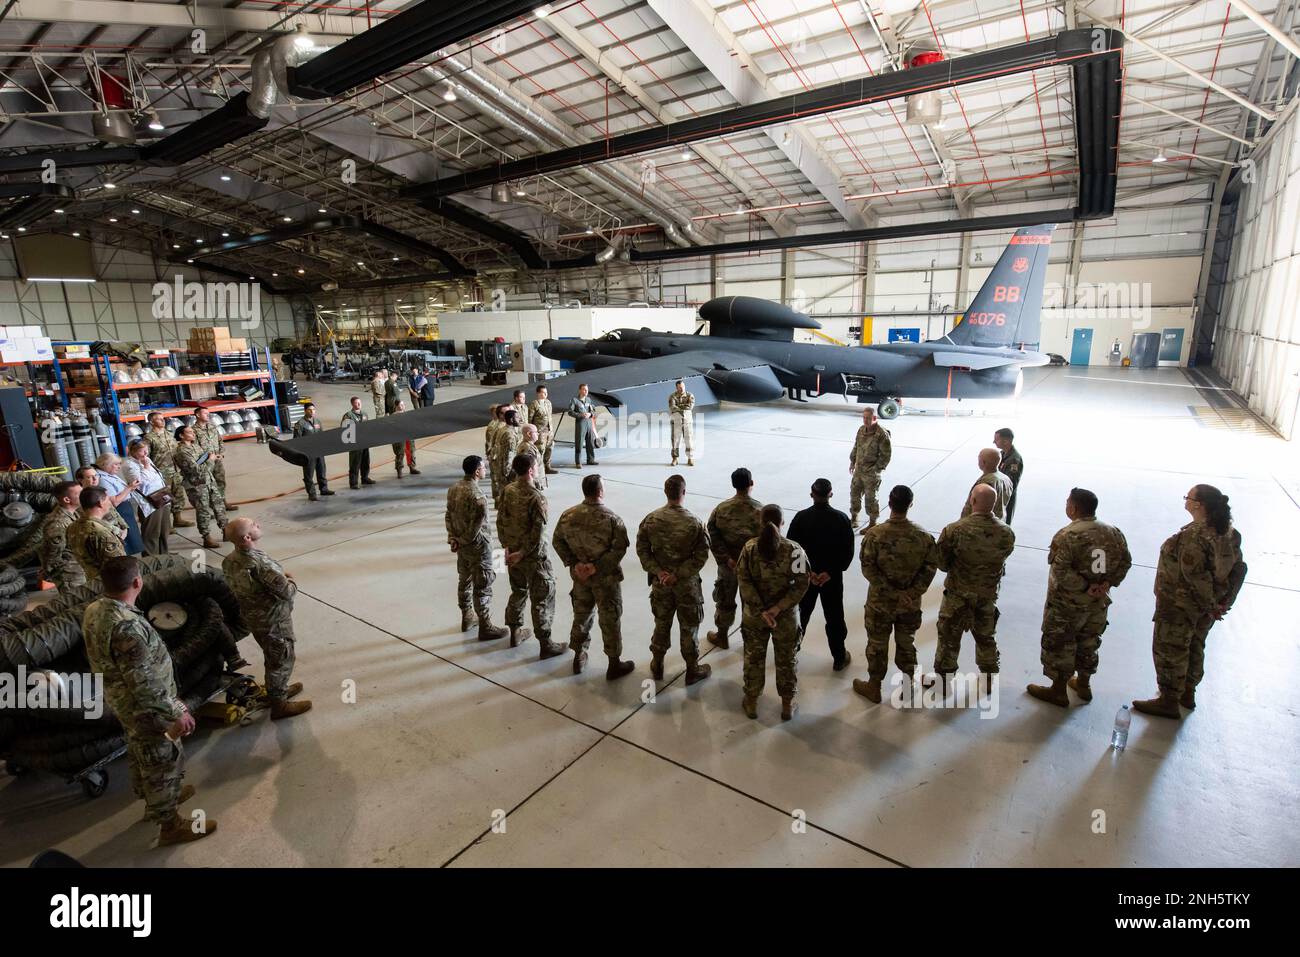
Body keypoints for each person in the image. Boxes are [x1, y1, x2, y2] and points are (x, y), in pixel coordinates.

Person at [81, 556, 215, 847]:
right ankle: (170, 825)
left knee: (142, 751)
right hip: (145, 707)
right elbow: (143, 683)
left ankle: (156, 799)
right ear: (137, 582)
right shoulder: (127, 628)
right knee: (161, 759)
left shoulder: (96, 609)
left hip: (122, 700)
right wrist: (175, 710)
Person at [1134, 485, 1246, 719]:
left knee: (1170, 650)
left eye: (1189, 497)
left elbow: (1195, 575)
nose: (1186, 500)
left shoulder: (1193, 537)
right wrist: (1223, 602)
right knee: (1195, 645)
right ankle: (1187, 692)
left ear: (1198, 505)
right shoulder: (1230, 534)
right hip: (1207, 609)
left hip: (1180, 606)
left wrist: (1211, 604)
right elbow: (1239, 569)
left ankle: (1168, 700)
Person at [1027, 488, 1131, 707]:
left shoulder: (1067, 536)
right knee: (1089, 641)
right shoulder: (1113, 532)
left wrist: (1085, 587)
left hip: (1069, 604)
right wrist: (1106, 584)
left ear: (1073, 508)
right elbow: (1125, 562)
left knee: (1061, 642)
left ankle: (1058, 690)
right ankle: (1083, 684)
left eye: (1067, 503)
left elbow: (1061, 571)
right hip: (1098, 602)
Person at [855, 485, 938, 702]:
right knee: (906, 642)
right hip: (909, 604)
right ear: (910, 504)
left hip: (880, 603)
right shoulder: (923, 537)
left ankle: (874, 687)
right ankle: (909, 685)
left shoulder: (875, 535)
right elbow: (929, 570)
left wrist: (891, 592)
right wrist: (910, 593)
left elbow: (868, 568)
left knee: (877, 644)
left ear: (889, 504)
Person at [223, 519, 312, 719]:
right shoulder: (260, 563)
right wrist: (290, 581)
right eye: (254, 525)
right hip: (274, 621)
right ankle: (279, 704)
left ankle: (276, 690)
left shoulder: (229, 560)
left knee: (272, 656)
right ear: (247, 537)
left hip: (254, 618)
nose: (258, 525)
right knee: (281, 659)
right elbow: (287, 593)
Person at [930, 484, 1015, 690]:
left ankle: (943, 681)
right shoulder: (1006, 533)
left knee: (949, 638)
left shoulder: (955, 530)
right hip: (986, 595)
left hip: (958, 594)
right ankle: (988, 677)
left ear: (972, 501)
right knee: (986, 636)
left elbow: (941, 563)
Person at [552, 474, 635, 679]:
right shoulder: (612, 519)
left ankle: (579, 656)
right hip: (605, 581)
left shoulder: (568, 516)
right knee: (610, 620)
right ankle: (614, 664)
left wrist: (575, 563)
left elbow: (557, 541)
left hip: (580, 578)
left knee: (581, 616)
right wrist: (596, 567)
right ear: (600, 491)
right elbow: (619, 549)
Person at [736, 504, 810, 720]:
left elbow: (743, 581)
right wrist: (777, 609)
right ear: (782, 523)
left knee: (753, 658)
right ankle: (787, 705)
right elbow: (801, 584)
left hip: (755, 616)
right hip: (784, 618)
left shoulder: (749, 548)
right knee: (786, 660)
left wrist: (762, 610)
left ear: (760, 522)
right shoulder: (795, 550)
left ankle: (751, 702)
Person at [636, 474, 711, 685]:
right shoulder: (694, 523)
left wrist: (659, 572)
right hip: (686, 586)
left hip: (661, 585)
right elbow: (701, 556)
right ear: (684, 493)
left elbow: (642, 550)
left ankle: (657, 665)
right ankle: (692, 670)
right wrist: (678, 575)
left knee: (661, 623)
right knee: (689, 628)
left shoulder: (651, 520)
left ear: (665, 492)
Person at [496, 453, 567, 660]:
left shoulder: (507, 491)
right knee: (542, 598)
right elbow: (538, 532)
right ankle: (546, 644)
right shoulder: (537, 497)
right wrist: (523, 553)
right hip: (534, 558)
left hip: (511, 554)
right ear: (530, 470)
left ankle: (515, 632)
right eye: (535, 466)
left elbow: (500, 521)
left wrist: (507, 549)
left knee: (517, 591)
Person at [788, 478, 855, 672]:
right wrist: (830, 572)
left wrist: (808, 574)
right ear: (831, 494)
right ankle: (839, 657)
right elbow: (847, 552)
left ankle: (792, 650)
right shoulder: (842, 519)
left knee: (801, 615)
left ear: (812, 495)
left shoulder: (800, 518)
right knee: (834, 617)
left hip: (806, 579)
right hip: (831, 579)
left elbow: (794, 550)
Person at [445, 455, 508, 639]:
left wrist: (453, 538)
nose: (485, 470)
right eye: (483, 468)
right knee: (483, 583)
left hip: (461, 545)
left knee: (464, 580)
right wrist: (464, 540)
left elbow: (448, 515)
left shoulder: (454, 488)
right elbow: (476, 526)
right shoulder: (479, 497)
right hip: (479, 546)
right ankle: (486, 626)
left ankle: (467, 616)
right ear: (476, 472)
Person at [705, 468, 762, 649]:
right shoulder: (760, 510)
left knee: (725, 600)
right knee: (751, 603)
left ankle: (722, 636)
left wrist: (726, 558)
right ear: (751, 484)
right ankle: (749, 641)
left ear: (733, 485)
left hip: (728, 566)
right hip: (751, 568)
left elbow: (711, 534)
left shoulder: (721, 509)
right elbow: (767, 540)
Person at [173, 424, 226, 549]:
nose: (193, 433)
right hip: (196, 485)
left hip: (209, 481)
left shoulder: (195, 446)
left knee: (219, 506)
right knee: (203, 511)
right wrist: (211, 460)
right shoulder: (181, 452)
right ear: (181, 435)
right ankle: (206, 537)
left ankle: (225, 530)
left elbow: (205, 457)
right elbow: (196, 471)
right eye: (190, 432)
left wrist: (212, 457)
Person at [67, 486, 127, 583]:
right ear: (100, 503)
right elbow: (119, 565)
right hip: (112, 583)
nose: (110, 503)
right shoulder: (101, 532)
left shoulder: (72, 527)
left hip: (92, 580)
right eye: (108, 500)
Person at [123, 440, 173, 555]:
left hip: (161, 498)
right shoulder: (129, 464)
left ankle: (164, 555)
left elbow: (156, 476)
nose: (146, 453)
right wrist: (145, 467)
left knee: (164, 530)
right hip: (149, 503)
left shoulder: (146, 459)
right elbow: (139, 483)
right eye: (142, 451)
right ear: (134, 451)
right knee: (152, 533)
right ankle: (151, 558)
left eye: (147, 450)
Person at [144, 411, 193, 528]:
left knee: (178, 496)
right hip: (162, 473)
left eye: (163, 418)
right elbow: (145, 456)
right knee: (165, 499)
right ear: (151, 422)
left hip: (176, 470)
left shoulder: (169, 434)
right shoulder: (149, 438)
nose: (162, 420)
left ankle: (178, 519)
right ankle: (167, 525)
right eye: (158, 419)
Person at [38, 480, 87, 591]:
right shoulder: (57, 522)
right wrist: (50, 571)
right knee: (77, 604)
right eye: (79, 494)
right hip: (69, 574)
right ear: (66, 499)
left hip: (79, 567)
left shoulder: (75, 513)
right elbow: (52, 552)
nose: (83, 495)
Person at [93, 453, 144, 555]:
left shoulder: (110, 475)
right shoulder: (102, 479)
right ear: (104, 465)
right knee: (126, 545)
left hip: (126, 510)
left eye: (119, 464)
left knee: (133, 543)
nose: (119, 467)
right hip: (119, 511)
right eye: (115, 464)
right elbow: (114, 502)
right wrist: (129, 488)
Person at [849, 407, 891, 530]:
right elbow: (856, 446)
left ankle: (872, 523)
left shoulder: (882, 434)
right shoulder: (861, 430)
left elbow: (886, 455)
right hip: (859, 470)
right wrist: (852, 461)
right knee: (854, 494)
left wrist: (876, 470)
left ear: (874, 418)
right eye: (864, 418)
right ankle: (854, 517)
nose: (865, 420)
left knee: (871, 498)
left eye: (868, 418)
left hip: (871, 473)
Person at [192, 407, 235, 512]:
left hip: (217, 460)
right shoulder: (193, 430)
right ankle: (209, 507)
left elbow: (220, 440)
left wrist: (220, 453)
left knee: (221, 481)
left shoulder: (212, 426)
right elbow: (194, 447)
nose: (208, 415)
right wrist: (206, 458)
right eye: (205, 413)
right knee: (206, 484)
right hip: (205, 462)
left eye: (208, 413)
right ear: (198, 415)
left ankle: (223, 502)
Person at [74, 465, 130, 542]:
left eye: (96, 475)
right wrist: (118, 533)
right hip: (105, 537)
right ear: (80, 480)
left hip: (118, 534)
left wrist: (124, 527)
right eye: (89, 477)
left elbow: (113, 512)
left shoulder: (101, 491)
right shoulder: (81, 498)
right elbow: (93, 520)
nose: (94, 479)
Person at [292, 403, 334, 501]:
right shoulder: (300, 424)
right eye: (310, 410)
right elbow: (296, 440)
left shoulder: (318, 421)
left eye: (313, 410)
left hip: (319, 451)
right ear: (305, 411)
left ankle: (324, 489)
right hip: (308, 454)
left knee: (322, 471)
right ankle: (312, 493)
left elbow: (322, 436)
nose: (312, 412)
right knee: (308, 474)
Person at [960, 448, 1013, 522]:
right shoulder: (1006, 479)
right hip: (998, 521)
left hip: (980, 525)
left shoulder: (985, 483)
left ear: (983, 462)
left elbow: (974, 506)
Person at [341, 396, 375, 489]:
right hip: (355, 443)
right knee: (355, 463)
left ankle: (365, 478)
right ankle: (353, 483)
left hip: (364, 442)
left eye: (360, 402)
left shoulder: (364, 414)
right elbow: (344, 430)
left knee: (365, 461)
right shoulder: (348, 415)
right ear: (352, 404)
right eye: (356, 403)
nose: (359, 404)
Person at [491, 409, 522, 506]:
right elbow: (509, 455)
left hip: (499, 465)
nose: (519, 419)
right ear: (511, 420)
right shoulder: (510, 435)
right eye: (517, 417)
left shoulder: (502, 429)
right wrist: (509, 473)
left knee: (503, 492)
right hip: (506, 469)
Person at [994, 428, 1024, 525]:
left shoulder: (1014, 460)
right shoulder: (1003, 454)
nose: (994, 441)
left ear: (1006, 441)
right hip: (999, 496)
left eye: (996, 439)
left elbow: (1010, 484)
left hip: (1006, 499)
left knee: (1003, 525)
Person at [528, 385, 559, 475]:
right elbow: (530, 419)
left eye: (546, 392)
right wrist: (532, 432)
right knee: (540, 449)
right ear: (538, 393)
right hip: (540, 431)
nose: (546, 394)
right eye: (543, 392)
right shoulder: (534, 404)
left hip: (549, 430)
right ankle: (538, 468)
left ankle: (547, 466)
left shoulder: (548, 403)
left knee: (550, 447)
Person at [569, 383, 599, 468]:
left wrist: (590, 414)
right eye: (584, 389)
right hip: (581, 423)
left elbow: (594, 411)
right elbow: (570, 412)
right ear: (580, 390)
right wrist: (580, 415)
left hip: (589, 423)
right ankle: (578, 462)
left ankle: (591, 460)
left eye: (587, 390)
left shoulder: (589, 400)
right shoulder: (575, 400)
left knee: (590, 442)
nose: (586, 391)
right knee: (579, 443)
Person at [390, 399, 421, 477]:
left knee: (411, 451)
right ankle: (399, 470)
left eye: (403, 404)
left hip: (408, 436)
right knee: (400, 453)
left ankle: (412, 467)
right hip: (399, 437)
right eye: (401, 405)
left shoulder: (407, 414)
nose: (403, 406)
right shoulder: (393, 416)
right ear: (396, 406)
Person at [668, 379, 695, 467]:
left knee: (689, 440)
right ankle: (675, 458)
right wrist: (683, 406)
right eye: (680, 387)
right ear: (676, 388)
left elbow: (690, 406)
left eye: (683, 386)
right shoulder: (672, 396)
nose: (682, 388)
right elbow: (672, 407)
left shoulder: (690, 395)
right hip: (676, 421)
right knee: (675, 440)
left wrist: (679, 406)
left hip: (687, 421)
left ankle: (690, 458)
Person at [485, 405, 505, 500]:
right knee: (496, 479)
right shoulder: (493, 426)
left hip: (498, 454)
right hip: (495, 455)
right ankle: (496, 498)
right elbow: (490, 443)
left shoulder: (501, 424)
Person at [518, 424, 546, 490]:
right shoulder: (527, 448)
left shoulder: (530, 445)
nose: (538, 434)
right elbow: (529, 468)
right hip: (532, 483)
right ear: (529, 434)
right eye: (536, 432)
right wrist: (535, 482)